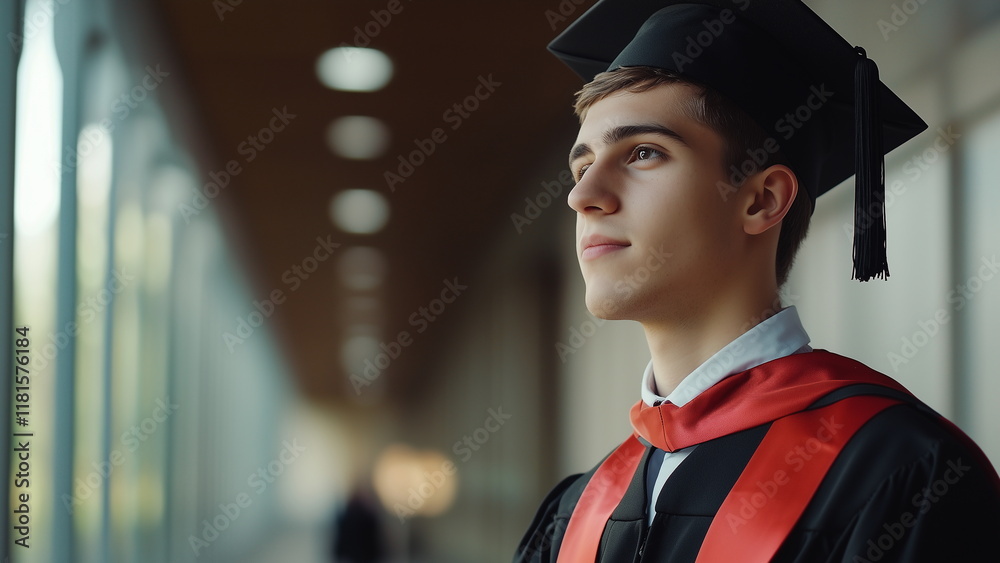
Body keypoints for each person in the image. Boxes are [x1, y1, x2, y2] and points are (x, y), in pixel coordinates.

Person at [514, 1, 1000, 561]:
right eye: (581, 168)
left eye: (643, 153)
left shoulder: (901, 477)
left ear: (762, 200)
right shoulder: (577, 511)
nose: (582, 196)